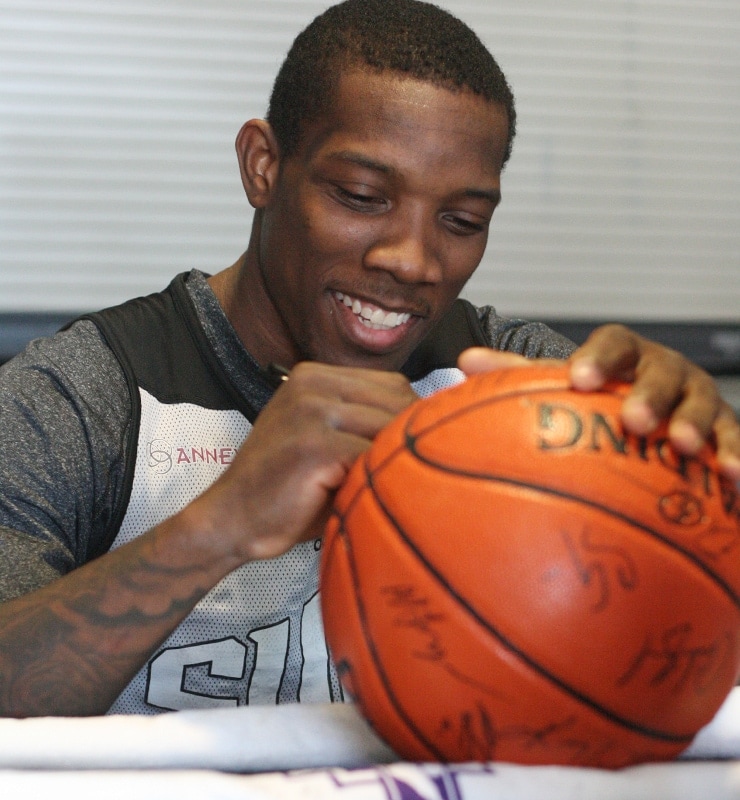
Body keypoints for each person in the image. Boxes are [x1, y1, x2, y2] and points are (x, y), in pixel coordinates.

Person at [0, 0, 737, 719]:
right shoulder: (80, 398)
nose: (413, 260)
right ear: (263, 165)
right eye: (361, 196)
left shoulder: (516, 383)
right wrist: (219, 527)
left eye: (461, 221)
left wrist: (698, 481)